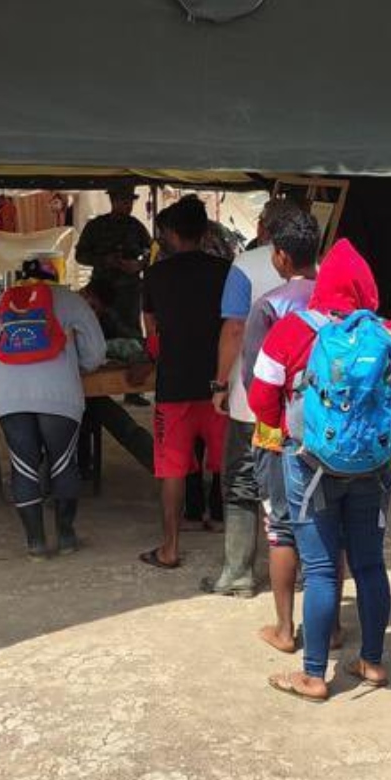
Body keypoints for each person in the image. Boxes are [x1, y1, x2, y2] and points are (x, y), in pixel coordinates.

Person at [250, 239, 391, 701]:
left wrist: (291, 429)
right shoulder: (386, 333)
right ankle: (372, 661)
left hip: (309, 464)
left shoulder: (291, 330)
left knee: (319, 569)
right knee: (370, 563)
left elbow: (261, 398)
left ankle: (315, 675)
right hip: (373, 466)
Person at [240, 212, 326, 655]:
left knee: (282, 529)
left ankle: (285, 628)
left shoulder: (269, 306)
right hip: (334, 434)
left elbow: (254, 381)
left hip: (280, 434)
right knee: (330, 526)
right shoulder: (338, 300)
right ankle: (330, 628)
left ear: (280, 256)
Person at [202, 198, 296, 597]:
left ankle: (239, 574)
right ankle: (302, 573)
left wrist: (220, 383)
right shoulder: (319, 266)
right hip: (301, 402)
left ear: (262, 228)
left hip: (251, 399)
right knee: (294, 483)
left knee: (242, 482)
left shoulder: (245, 264)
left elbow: (235, 329)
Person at [0, 259, 106, 558]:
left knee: (23, 466)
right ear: (55, 277)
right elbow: (96, 354)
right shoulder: (71, 300)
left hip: (10, 395)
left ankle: (35, 542)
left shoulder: (0, 302)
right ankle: (65, 536)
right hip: (59, 393)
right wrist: (76, 364)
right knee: (63, 463)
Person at [138, 196, 230, 569]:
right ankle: (235, 553)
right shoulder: (226, 271)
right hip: (219, 384)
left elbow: (151, 330)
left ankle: (170, 548)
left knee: (173, 469)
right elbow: (235, 326)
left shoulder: (156, 275)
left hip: (173, 385)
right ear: (205, 232)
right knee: (228, 467)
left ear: (172, 235)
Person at [79, 277, 157, 472]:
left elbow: (134, 341)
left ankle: (163, 467)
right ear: (84, 293)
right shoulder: (64, 312)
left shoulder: (104, 317)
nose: (92, 313)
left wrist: (141, 359)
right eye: (91, 306)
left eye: (97, 310)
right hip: (58, 393)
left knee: (122, 425)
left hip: (86, 391)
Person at [75, 183, 152, 340]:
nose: (128, 206)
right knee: (99, 334)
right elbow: (80, 255)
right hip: (101, 292)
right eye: (124, 201)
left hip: (129, 293)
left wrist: (139, 264)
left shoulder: (136, 227)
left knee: (130, 337)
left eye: (130, 202)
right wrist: (104, 260)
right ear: (113, 201)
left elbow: (152, 252)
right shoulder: (95, 226)